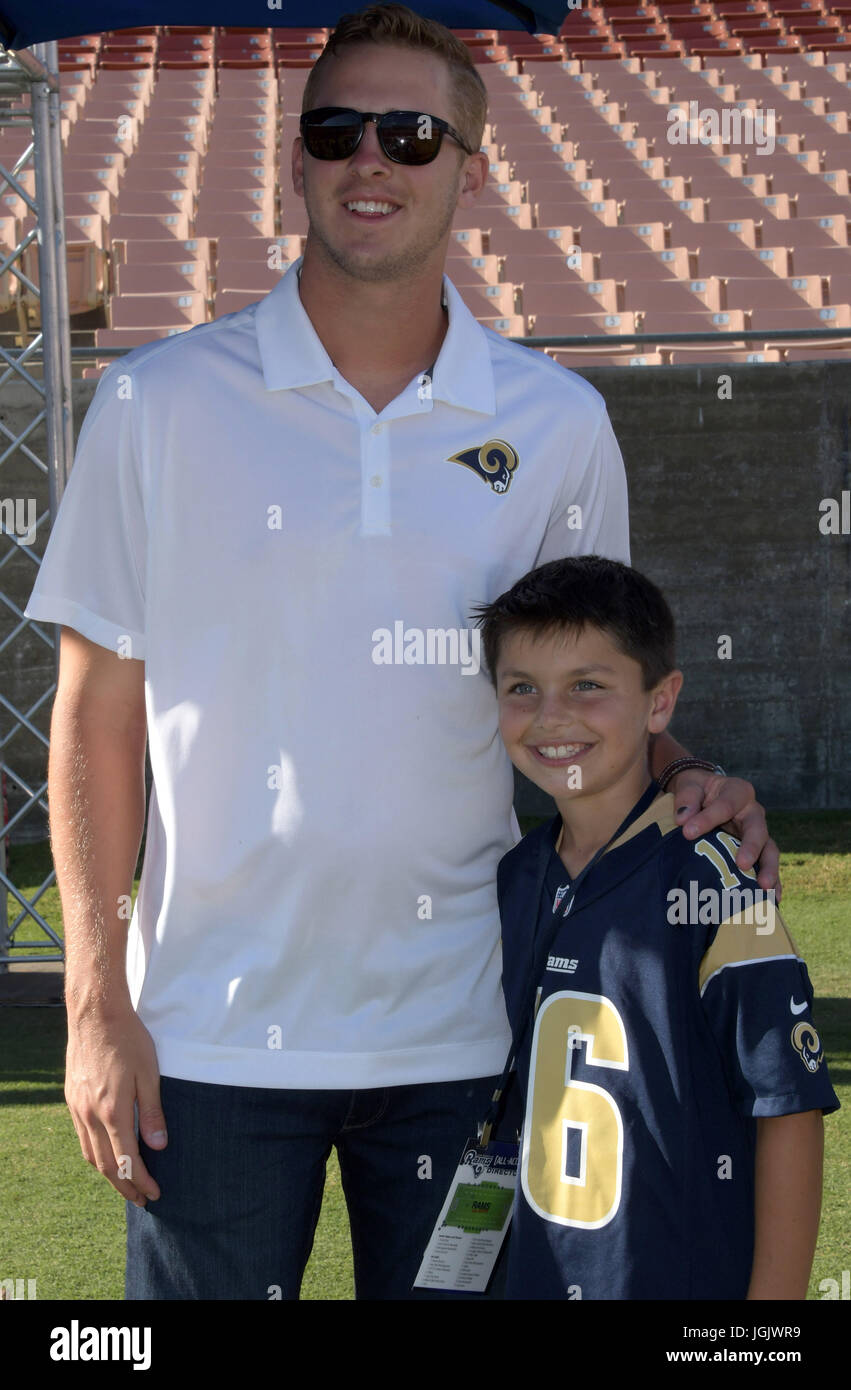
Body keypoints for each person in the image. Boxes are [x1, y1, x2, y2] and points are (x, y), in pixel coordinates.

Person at [25, 5, 780, 1300]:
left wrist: (691, 776)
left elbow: (588, 702)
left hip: (471, 1034)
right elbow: (96, 710)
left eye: (411, 134)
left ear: (469, 170)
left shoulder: (555, 421)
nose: (369, 158)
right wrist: (96, 1003)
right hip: (207, 1037)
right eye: (336, 129)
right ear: (296, 161)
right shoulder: (155, 403)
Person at [474, 555, 838, 1300]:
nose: (550, 716)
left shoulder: (715, 876)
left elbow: (787, 1110)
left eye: (587, 686)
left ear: (659, 701)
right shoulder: (519, 875)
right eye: (521, 689)